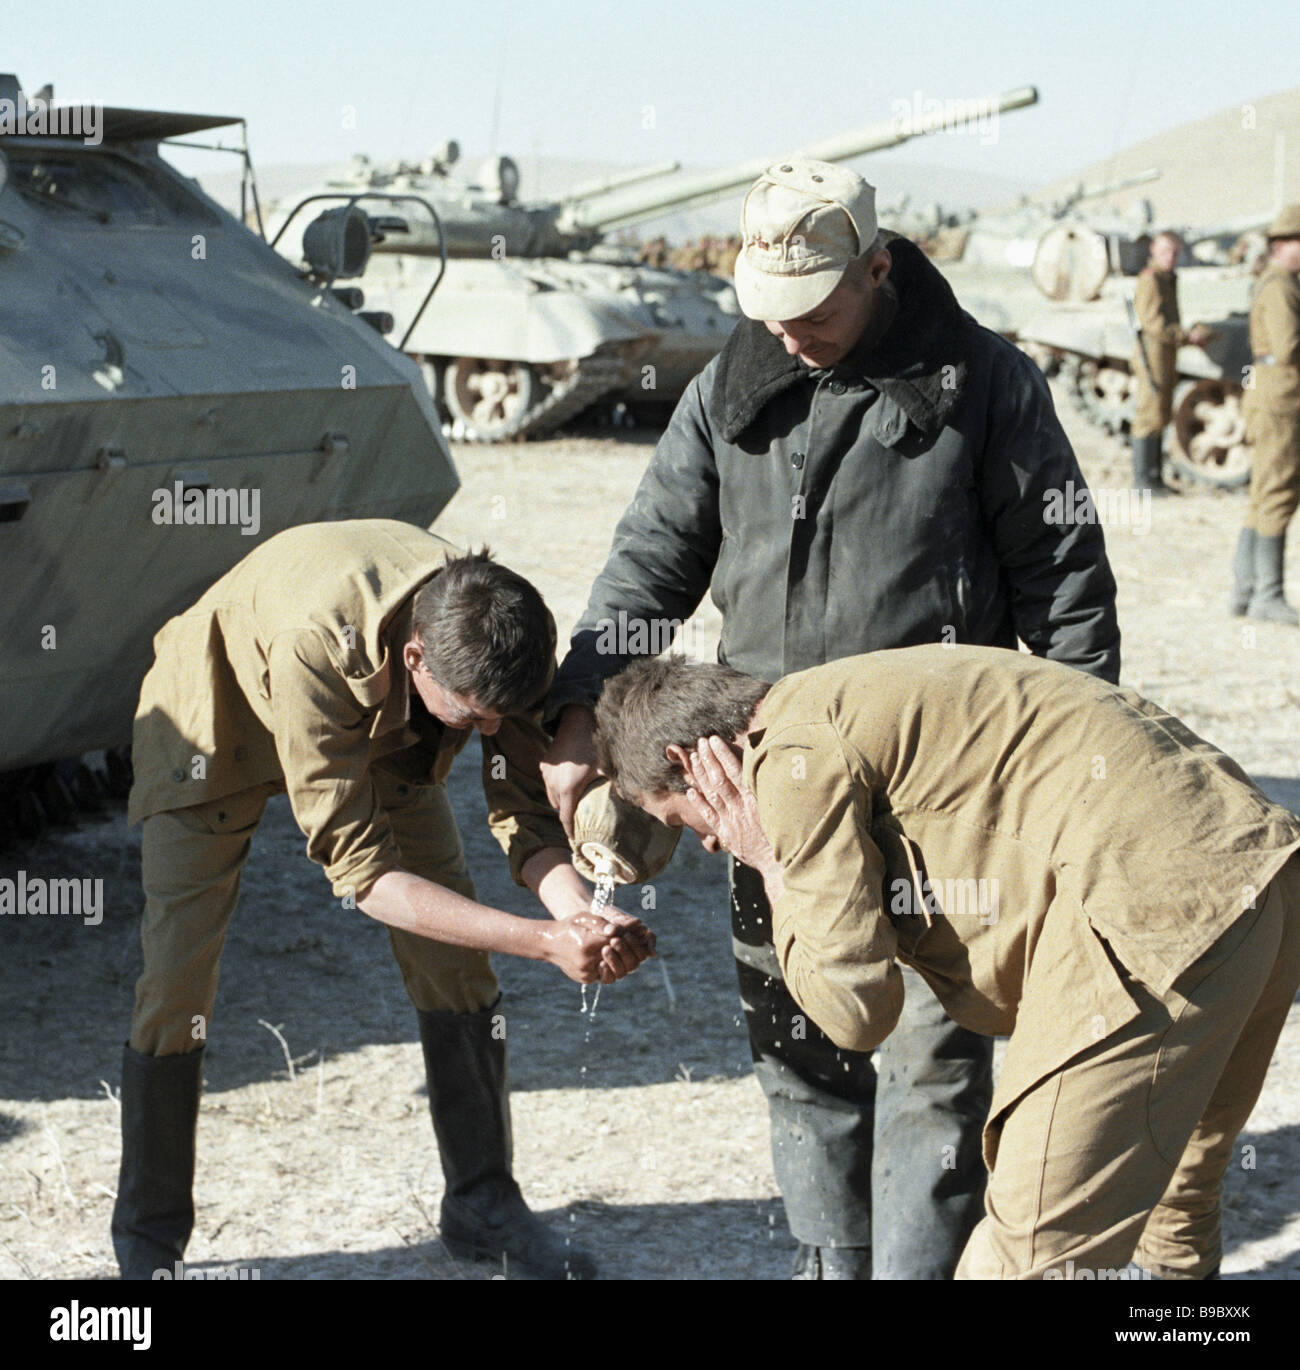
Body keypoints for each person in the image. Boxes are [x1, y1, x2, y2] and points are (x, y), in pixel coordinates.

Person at [540, 160, 1121, 1279]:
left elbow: (1064, 580)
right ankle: (830, 1259)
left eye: (816, 307)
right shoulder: (734, 383)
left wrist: (1083, 766)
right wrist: (577, 702)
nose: (792, 332)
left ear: (879, 264)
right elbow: (651, 559)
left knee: (931, 1056)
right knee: (800, 1039)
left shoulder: (984, 381)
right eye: (771, 310)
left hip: (938, 795)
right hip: (765, 780)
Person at [594, 647, 1300, 1281]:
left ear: (693, 763)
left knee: (1028, 1258)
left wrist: (772, 862)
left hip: (1153, 911)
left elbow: (857, 1010)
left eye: (684, 822)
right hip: (1254, 868)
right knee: (1176, 1199)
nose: (712, 846)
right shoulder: (847, 693)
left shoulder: (789, 757)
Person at [113, 519, 654, 1282]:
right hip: (215, 724)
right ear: (414, 657)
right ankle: (148, 1240)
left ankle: (483, 1205)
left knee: (458, 969)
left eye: (502, 714)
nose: (492, 731)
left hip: (386, 729)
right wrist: (539, 943)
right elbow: (364, 877)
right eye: (475, 719)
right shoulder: (318, 642)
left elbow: (522, 808)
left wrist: (576, 914)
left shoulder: (489, 629)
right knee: (177, 982)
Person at [1231, 204, 1300, 624]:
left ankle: (1246, 592)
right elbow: (1289, 347)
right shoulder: (1281, 286)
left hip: (1270, 395)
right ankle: (1266, 597)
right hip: (1281, 399)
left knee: (1262, 496)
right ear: (1281, 245)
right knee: (1277, 494)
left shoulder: (1275, 282)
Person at [1129, 231, 1213, 494]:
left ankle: (1155, 479)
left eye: (1175, 252)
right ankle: (1144, 482)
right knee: (1149, 415)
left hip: (1164, 354)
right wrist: (1185, 336)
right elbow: (1153, 323)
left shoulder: (1167, 278)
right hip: (1152, 355)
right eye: (1165, 251)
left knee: (1161, 414)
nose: (1170, 257)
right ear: (1153, 250)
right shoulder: (1150, 280)